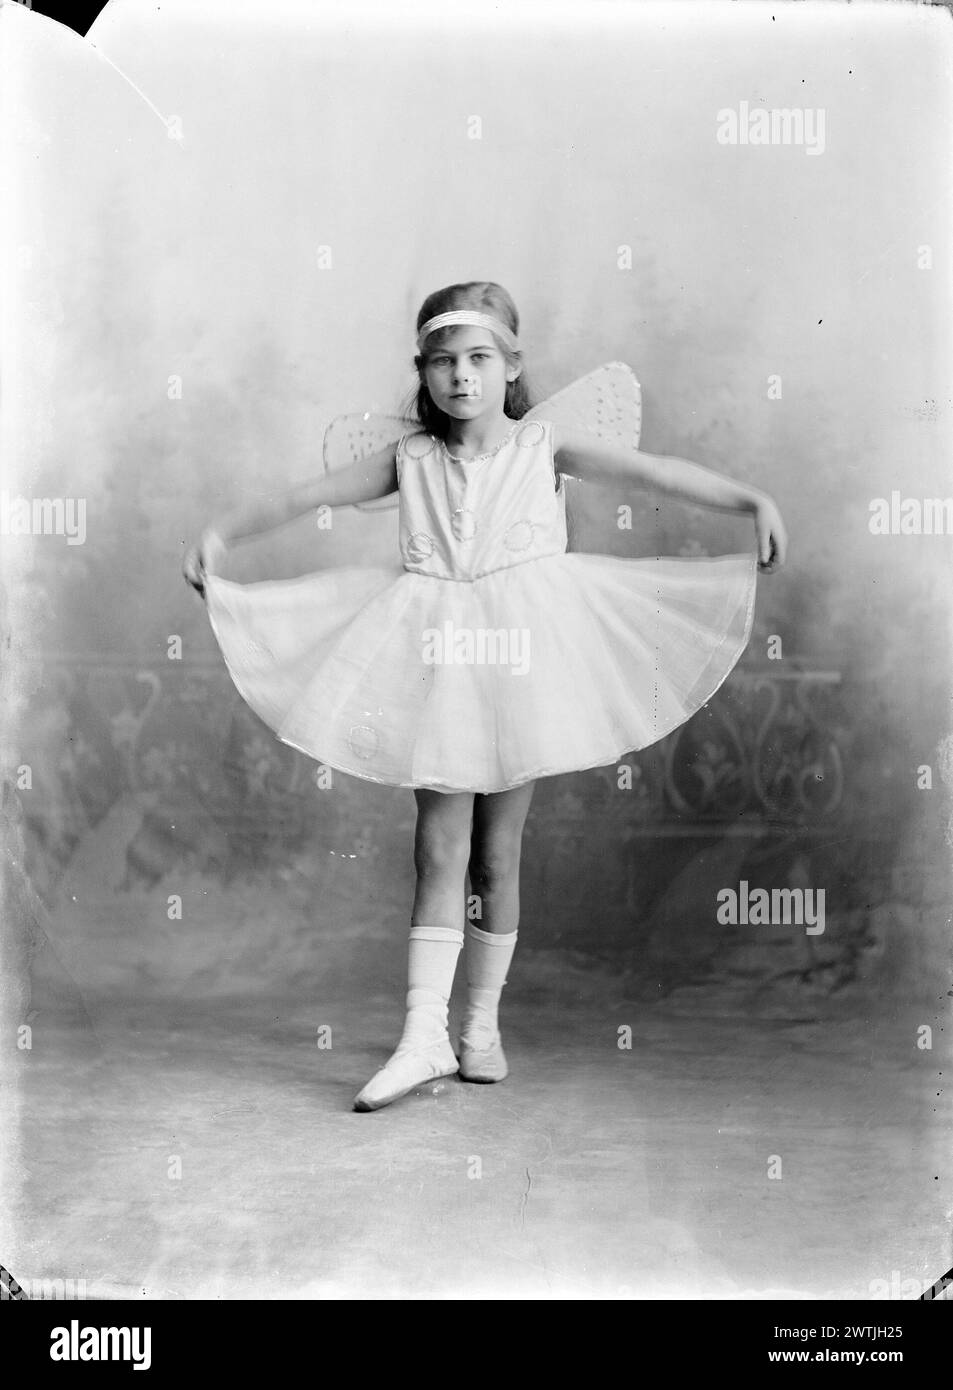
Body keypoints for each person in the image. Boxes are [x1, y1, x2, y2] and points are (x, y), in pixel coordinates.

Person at [183, 280, 787, 1112]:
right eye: (443, 362)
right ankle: (420, 1035)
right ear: (421, 372)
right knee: (438, 850)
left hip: (523, 658)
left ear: (511, 366)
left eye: (478, 359)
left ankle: (478, 1028)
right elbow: (304, 498)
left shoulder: (542, 445)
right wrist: (218, 536)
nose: (461, 378)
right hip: (435, 656)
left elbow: (654, 472)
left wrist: (750, 499)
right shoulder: (410, 460)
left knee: (496, 857)